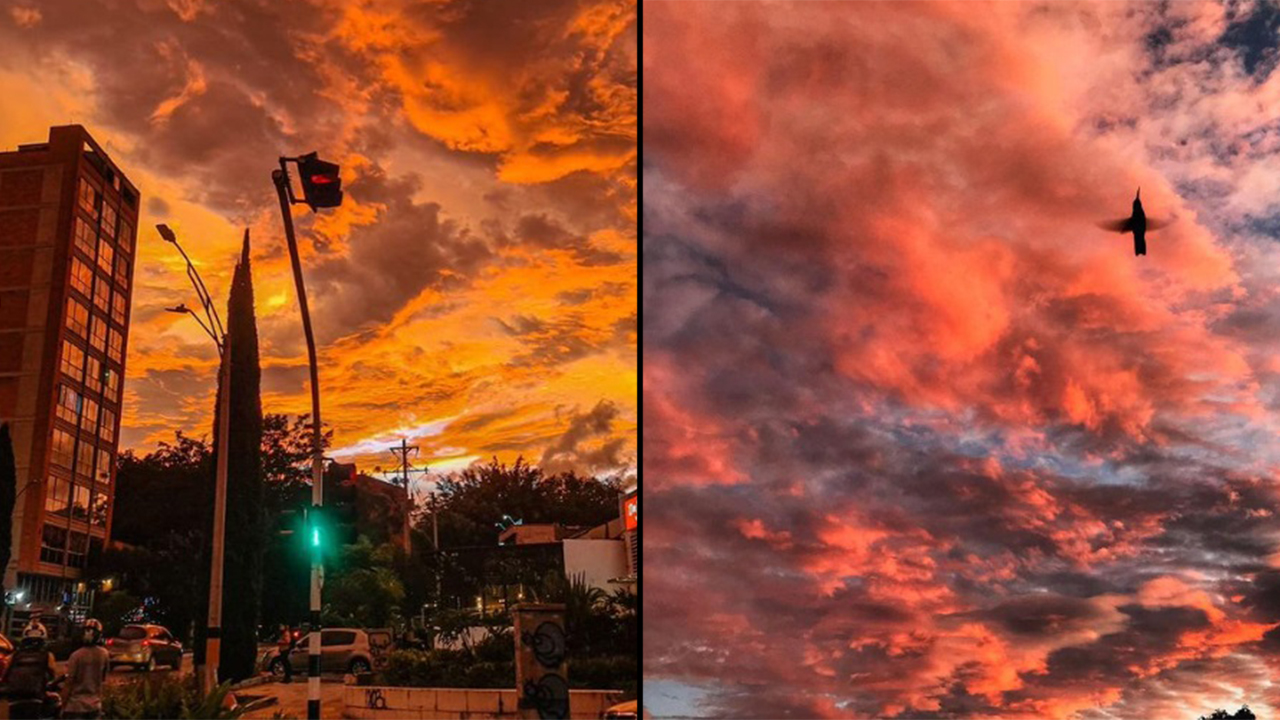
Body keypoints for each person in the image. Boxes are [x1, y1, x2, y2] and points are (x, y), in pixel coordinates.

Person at [2, 619, 62, 719]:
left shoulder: (15, 655)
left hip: (14, 698)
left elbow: (5, 674)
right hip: (36, 698)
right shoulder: (47, 656)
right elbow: (53, 675)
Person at [62, 619, 109, 719]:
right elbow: (103, 679)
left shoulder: (76, 656)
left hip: (75, 706)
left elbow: (69, 682)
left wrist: (63, 705)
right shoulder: (104, 654)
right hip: (95, 706)